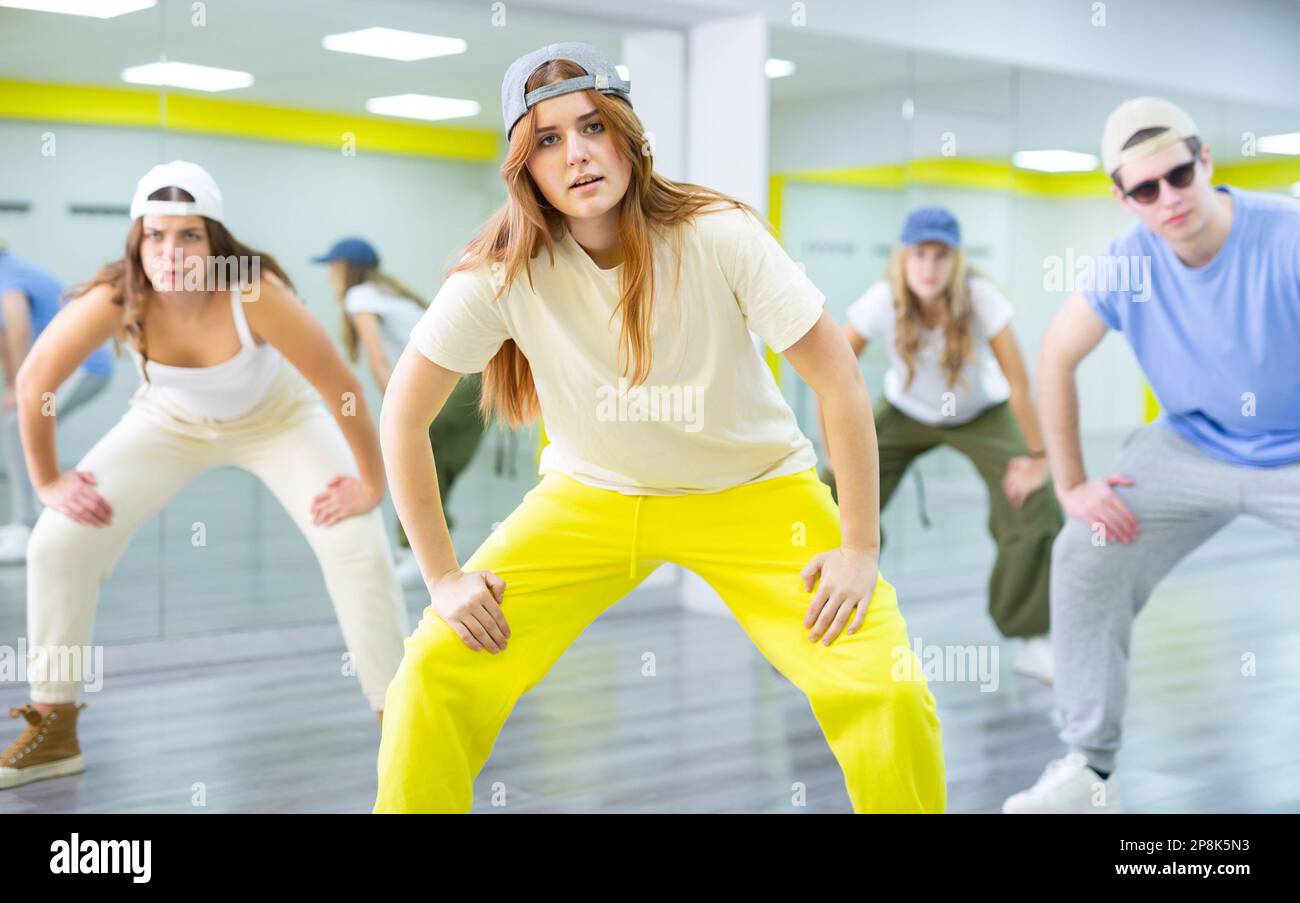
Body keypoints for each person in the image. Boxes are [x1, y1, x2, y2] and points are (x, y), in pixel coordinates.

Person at [372, 42, 946, 814]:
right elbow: (403, 416)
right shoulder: (500, 273)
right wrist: (443, 577)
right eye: (547, 140)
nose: (576, 155)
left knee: (889, 692)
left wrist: (860, 546)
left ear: (627, 135)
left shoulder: (719, 234)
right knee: (434, 670)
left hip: (756, 491)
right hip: (591, 497)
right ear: (524, 166)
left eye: (592, 128)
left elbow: (838, 377)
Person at [0, 161, 409, 791]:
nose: (170, 251)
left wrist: (371, 484)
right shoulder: (117, 294)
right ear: (136, 239)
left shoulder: (253, 291)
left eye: (188, 235)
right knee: (57, 541)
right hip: (170, 420)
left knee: (357, 546)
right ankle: (55, 727)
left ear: (214, 239)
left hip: (280, 419)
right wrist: (49, 482)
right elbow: (33, 384)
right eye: (155, 235)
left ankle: (405, 723)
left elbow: (343, 388)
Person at [1003, 98, 1300, 813]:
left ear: (1204, 161)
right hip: (1188, 447)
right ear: (1123, 196)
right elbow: (1055, 357)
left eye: (1178, 174)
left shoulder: (1286, 236)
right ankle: (1086, 765)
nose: (1169, 198)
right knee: (1086, 548)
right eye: (1146, 188)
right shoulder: (1126, 264)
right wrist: (1072, 484)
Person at [819, 208, 1062, 683]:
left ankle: (1034, 635)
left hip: (980, 414)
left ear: (956, 261)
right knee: (830, 496)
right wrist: (834, 452)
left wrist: (1039, 459)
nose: (929, 267)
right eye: (919, 255)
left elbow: (1019, 384)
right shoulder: (881, 301)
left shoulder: (981, 298)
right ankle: (829, 626)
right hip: (906, 412)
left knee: (1037, 502)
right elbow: (831, 373)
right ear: (903, 259)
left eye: (940, 255)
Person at [313, 237, 485, 586]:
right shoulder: (387, 293)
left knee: (411, 459)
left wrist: (396, 413)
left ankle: (414, 553)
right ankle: (424, 549)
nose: (329, 276)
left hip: (458, 382)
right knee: (429, 462)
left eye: (333, 267)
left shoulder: (359, 296)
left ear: (346, 269)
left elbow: (378, 359)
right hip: (471, 379)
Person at [0, 241, 114, 563]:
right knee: (17, 426)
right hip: (67, 369)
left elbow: (18, 329)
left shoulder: (5, 273)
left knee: (16, 425)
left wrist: (18, 388)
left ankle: (29, 525)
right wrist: (13, 384)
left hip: (83, 368)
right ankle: (29, 521)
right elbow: (3, 337)